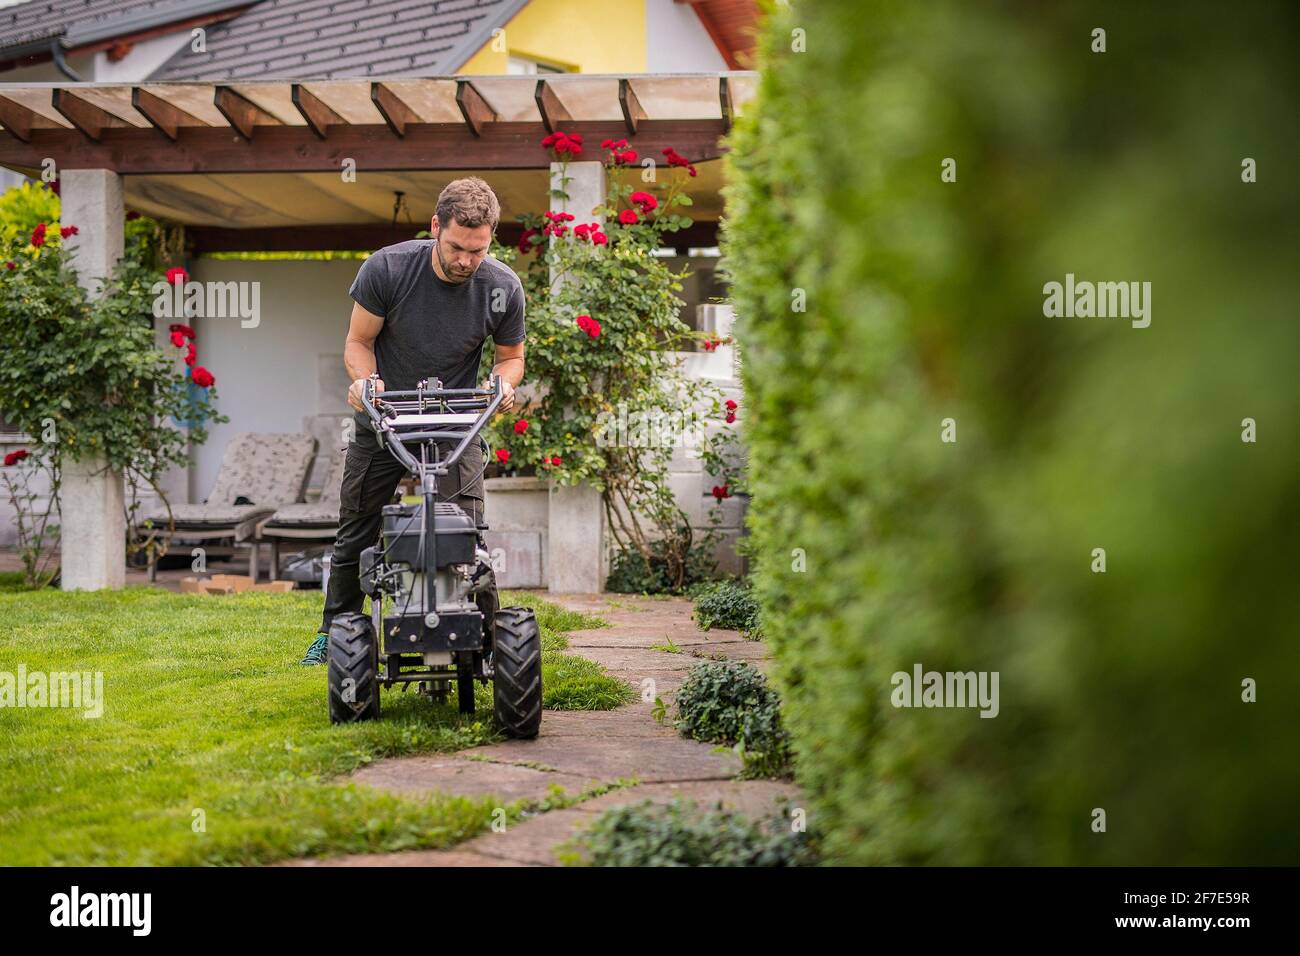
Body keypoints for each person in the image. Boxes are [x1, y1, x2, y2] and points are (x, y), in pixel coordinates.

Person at [300, 177, 525, 665]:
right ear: (435, 227)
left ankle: (487, 640)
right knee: (356, 530)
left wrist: (504, 383)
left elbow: (511, 357)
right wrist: (366, 384)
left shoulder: (502, 286)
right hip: (385, 420)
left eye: (478, 250)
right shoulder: (388, 269)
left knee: (467, 532)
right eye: (457, 247)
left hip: (455, 426)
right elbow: (358, 343)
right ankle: (333, 631)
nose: (466, 260)